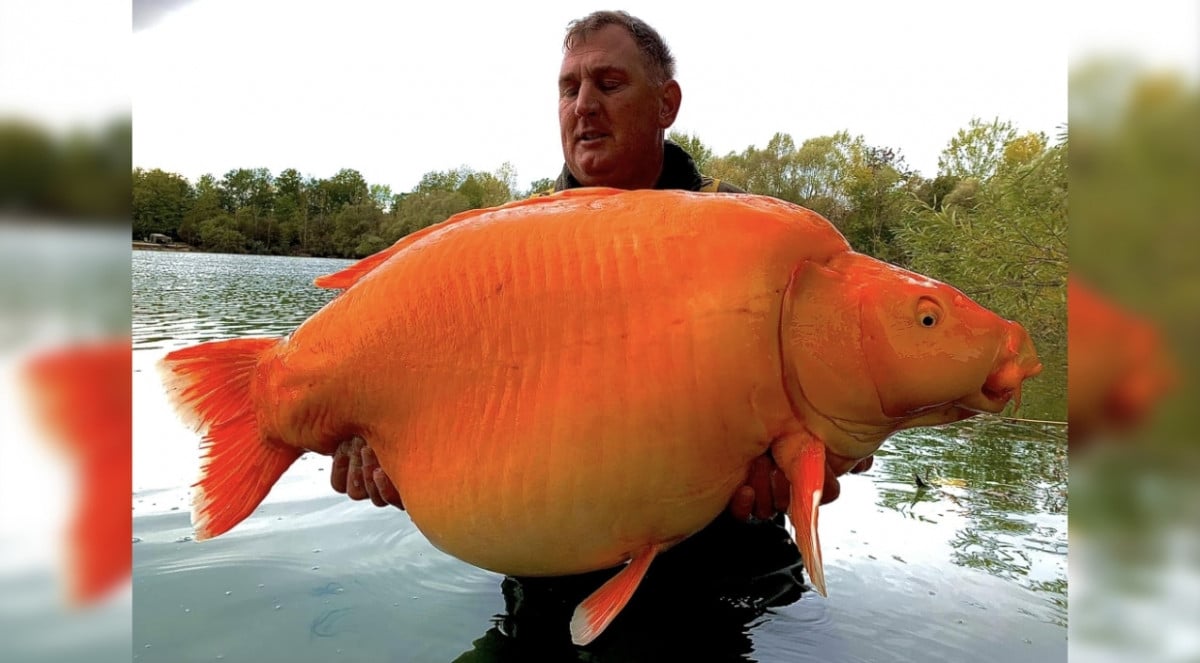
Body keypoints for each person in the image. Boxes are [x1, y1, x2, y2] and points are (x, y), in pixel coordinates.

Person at [329, 9, 873, 633]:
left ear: (666, 103)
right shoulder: (504, 256)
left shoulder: (759, 250)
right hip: (545, 584)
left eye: (609, 84)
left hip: (724, 590)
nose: (584, 105)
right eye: (569, 88)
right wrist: (385, 452)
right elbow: (465, 414)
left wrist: (833, 454)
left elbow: (848, 406)